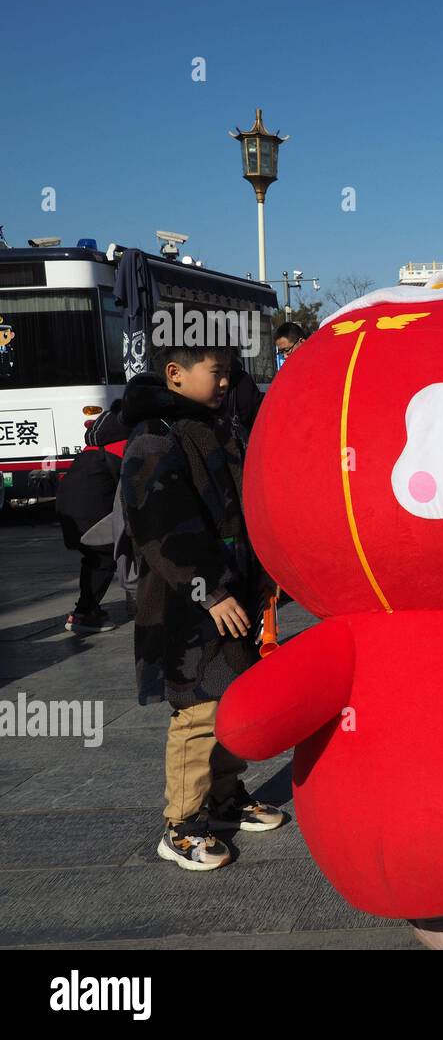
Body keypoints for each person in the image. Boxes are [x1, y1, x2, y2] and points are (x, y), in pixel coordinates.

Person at [120, 344, 284, 872]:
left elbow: (245, 510)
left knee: (233, 701)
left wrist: (261, 579)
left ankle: (225, 799)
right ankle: (182, 825)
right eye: (217, 372)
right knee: (197, 711)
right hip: (185, 608)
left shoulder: (218, 426)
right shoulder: (155, 435)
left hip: (230, 596)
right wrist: (207, 590)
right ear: (175, 374)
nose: (224, 383)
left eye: (228, 374)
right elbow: (159, 525)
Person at [55, 400, 130, 633]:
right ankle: (84, 615)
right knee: (103, 558)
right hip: (91, 512)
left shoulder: (98, 445)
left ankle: (86, 609)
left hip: (70, 507)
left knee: (95, 559)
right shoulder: (124, 445)